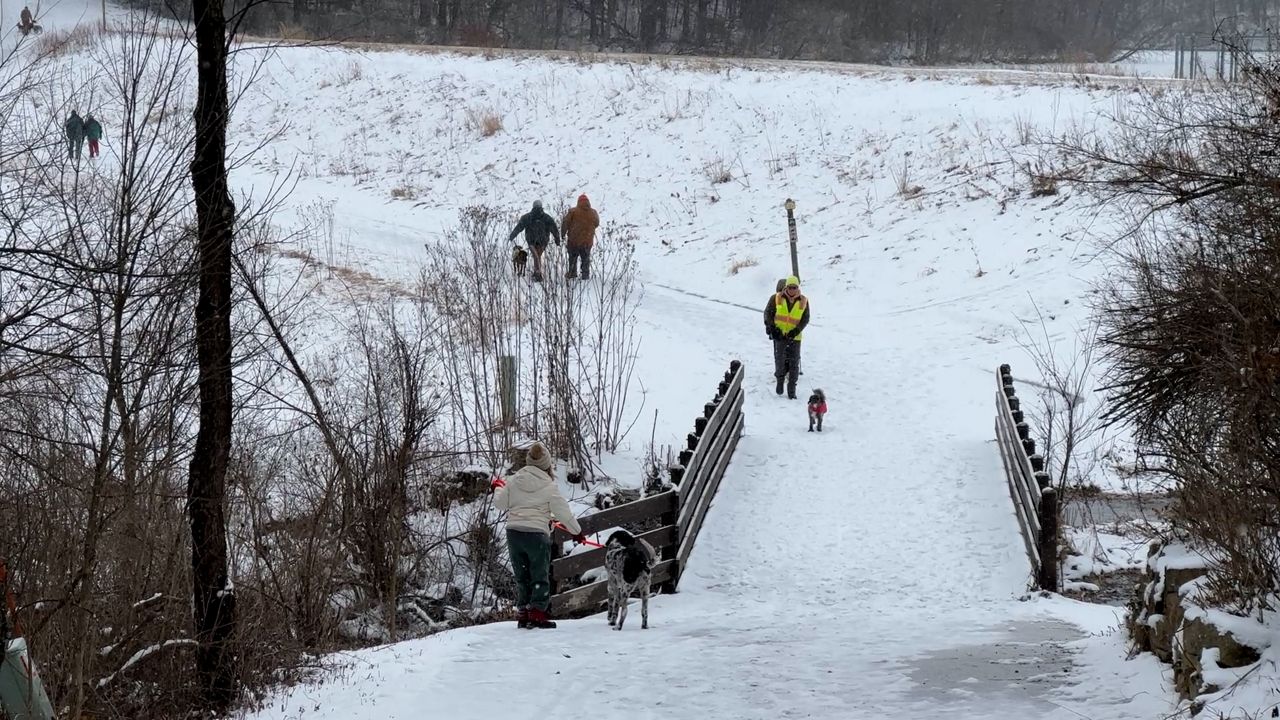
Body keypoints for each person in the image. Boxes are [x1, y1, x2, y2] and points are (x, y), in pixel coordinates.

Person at [491, 441, 584, 629]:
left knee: (522, 574)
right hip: (536, 535)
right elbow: (564, 514)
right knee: (539, 574)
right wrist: (577, 532)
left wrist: (498, 488)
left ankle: (523, 612)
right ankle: (537, 613)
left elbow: (500, 504)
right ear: (547, 463)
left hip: (514, 533)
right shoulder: (549, 486)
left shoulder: (514, 479)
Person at [763, 275, 810, 399]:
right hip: (780, 335)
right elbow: (768, 313)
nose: (792, 290)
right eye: (790, 287)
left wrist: (796, 331)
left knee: (794, 362)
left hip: (795, 336)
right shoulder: (776, 298)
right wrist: (773, 328)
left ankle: (792, 389)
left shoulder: (804, 301)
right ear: (786, 287)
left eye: (795, 287)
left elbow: (805, 319)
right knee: (780, 360)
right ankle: (780, 380)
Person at [507, 200, 560, 282]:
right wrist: (557, 240)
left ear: (533, 207)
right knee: (537, 255)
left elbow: (519, 227)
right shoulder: (547, 218)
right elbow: (554, 229)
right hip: (543, 241)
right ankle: (537, 273)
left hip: (531, 241)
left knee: (536, 256)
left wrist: (512, 236)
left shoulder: (527, 217)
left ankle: (537, 273)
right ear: (541, 207)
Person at [561, 193, 599, 279]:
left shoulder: (573, 211)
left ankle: (572, 273)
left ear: (578, 202)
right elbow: (596, 223)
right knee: (585, 259)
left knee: (573, 258)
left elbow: (565, 223)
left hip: (573, 241)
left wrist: (562, 234)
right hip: (587, 241)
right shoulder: (593, 212)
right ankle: (585, 275)